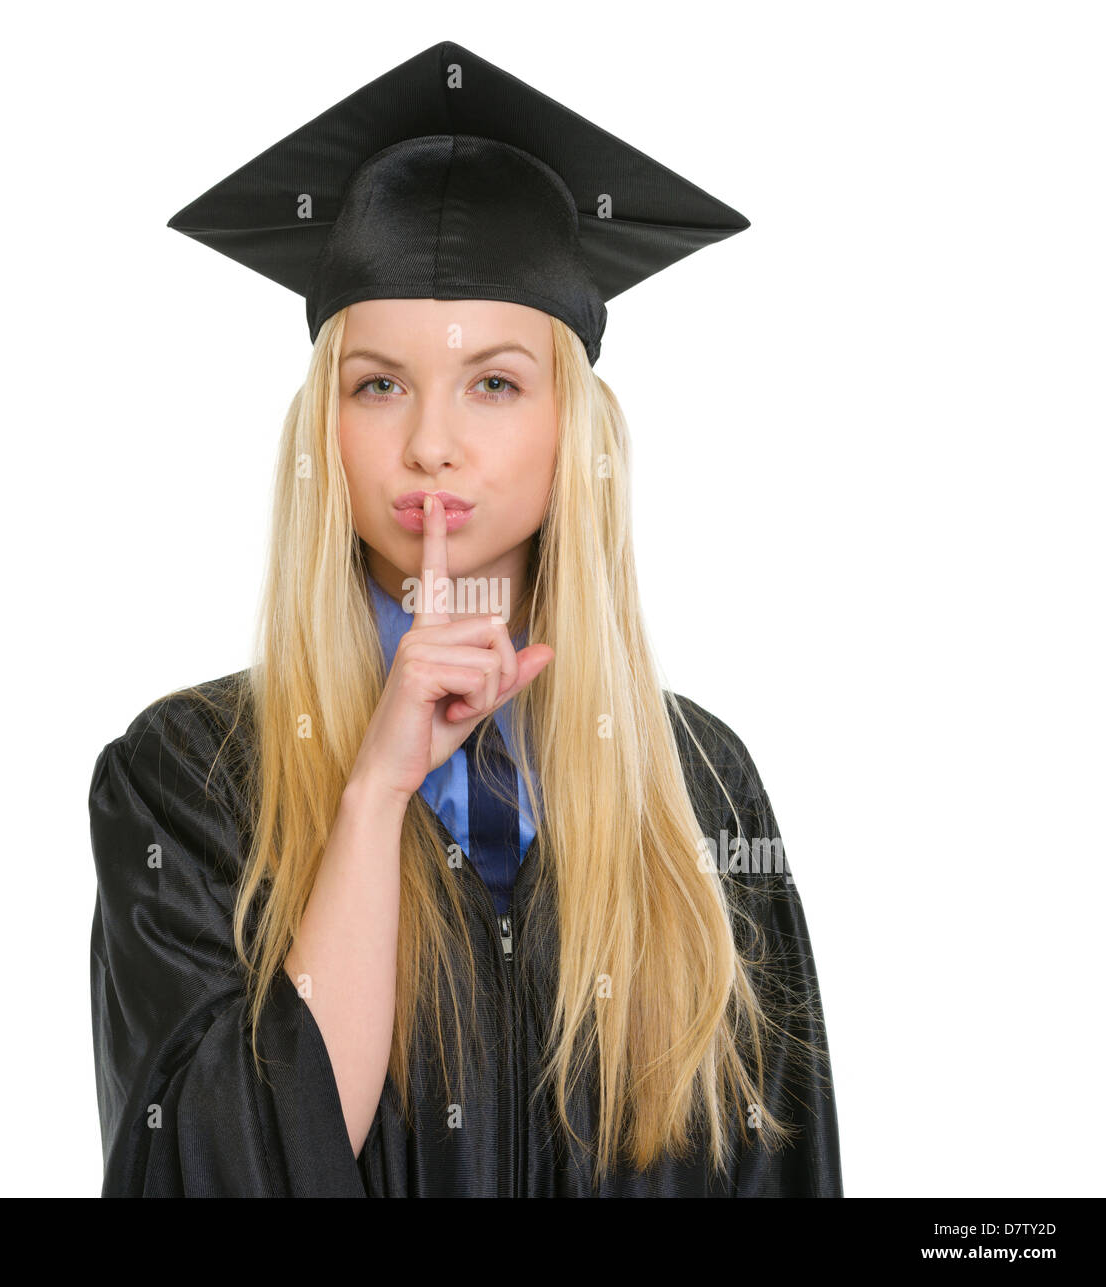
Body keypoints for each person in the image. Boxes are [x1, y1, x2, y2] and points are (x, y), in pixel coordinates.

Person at [88, 40, 842, 1197]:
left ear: (570, 429)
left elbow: (779, 1170)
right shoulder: (190, 777)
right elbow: (213, 1167)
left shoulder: (695, 784)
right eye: (377, 384)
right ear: (323, 433)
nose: (429, 441)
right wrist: (374, 791)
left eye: (493, 382)